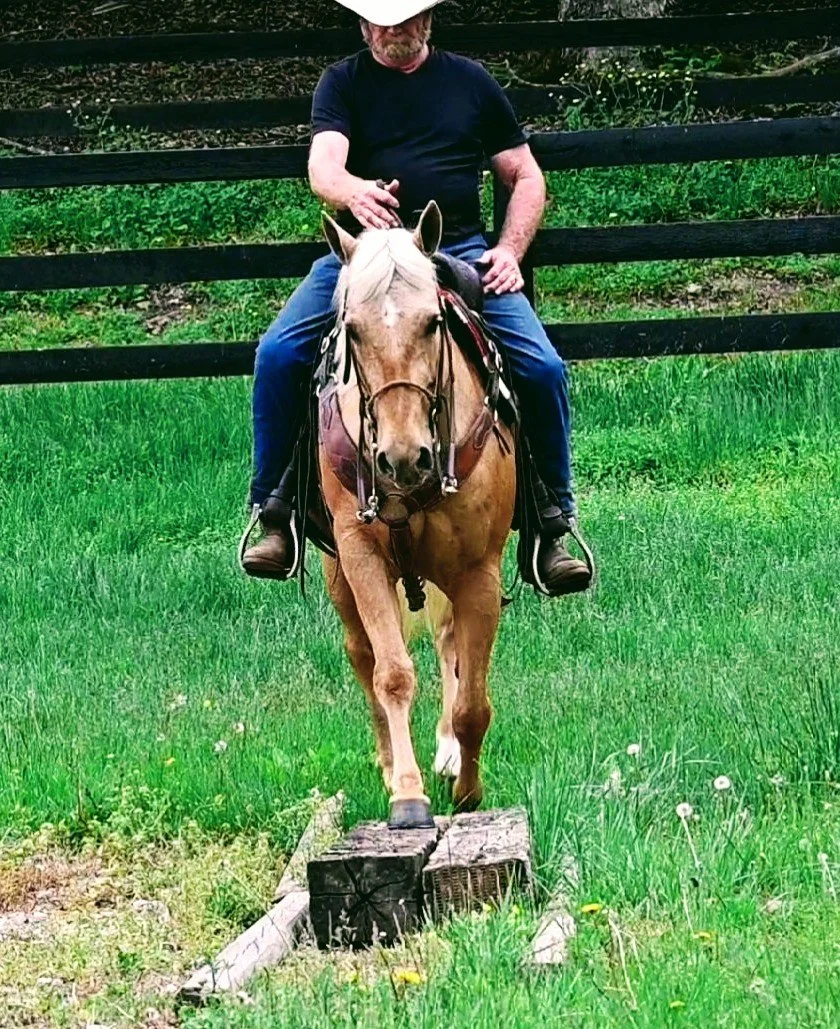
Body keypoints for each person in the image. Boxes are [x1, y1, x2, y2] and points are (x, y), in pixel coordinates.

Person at [241, 0, 593, 596]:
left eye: (405, 19)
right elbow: (323, 167)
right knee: (277, 353)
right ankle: (276, 511)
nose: (392, 30)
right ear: (362, 25)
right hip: (366, 258)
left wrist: (508, 252)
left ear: (428, 21)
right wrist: (355, 195)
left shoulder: (470, 81)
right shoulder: (343, 81)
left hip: (457, 252)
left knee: (543, 368)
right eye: (380, 20)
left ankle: (553, 522)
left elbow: (526, 176)